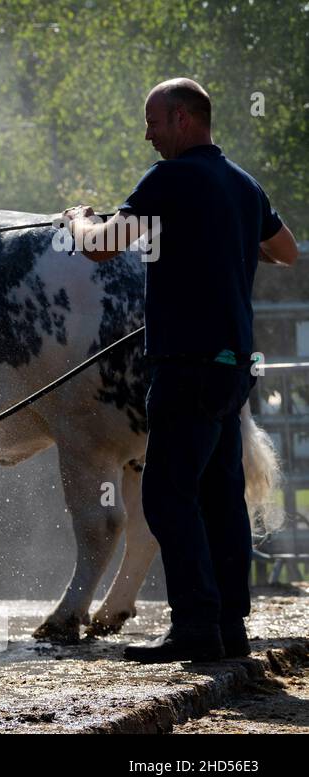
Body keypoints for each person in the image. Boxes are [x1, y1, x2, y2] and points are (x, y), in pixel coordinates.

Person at [63, 77, 298, 663]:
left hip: (186, 368)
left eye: (154, 121)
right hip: (233, 371)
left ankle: (195, 625)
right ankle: (230, 626)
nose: (147, 133)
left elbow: (101, 245)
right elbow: (288, 250)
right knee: (221, 499)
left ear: (185, 121)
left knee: (168, 499)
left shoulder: (169, 180)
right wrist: (237, 236)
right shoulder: (244, 185)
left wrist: (75, 220)